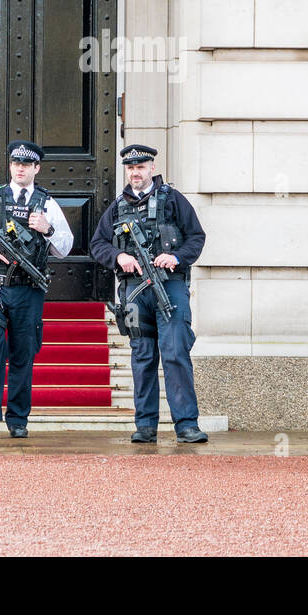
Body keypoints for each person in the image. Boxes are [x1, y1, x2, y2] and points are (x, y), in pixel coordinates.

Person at [90, 144, 208, 444]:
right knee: (142, 357)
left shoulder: (173, 200)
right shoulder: (117, 207)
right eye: (130, 168)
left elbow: (196, 236)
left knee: (175, 352)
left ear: (151, 169)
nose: (135, 173)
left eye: (140, 167)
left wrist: (177, 257)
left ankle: (186, 424)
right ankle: (145, 425)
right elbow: (98, 244)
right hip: (134, 290)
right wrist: (119, 257)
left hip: (170, 286)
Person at [0, 140, 74, 438]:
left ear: (36, 168)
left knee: (23, 354)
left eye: (26, 164)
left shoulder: (46, 203)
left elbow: (65, 247)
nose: (20, 168)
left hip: (28, 289)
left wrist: (47, 228)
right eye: (15, 163)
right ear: (10, 166)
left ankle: (18, 420)